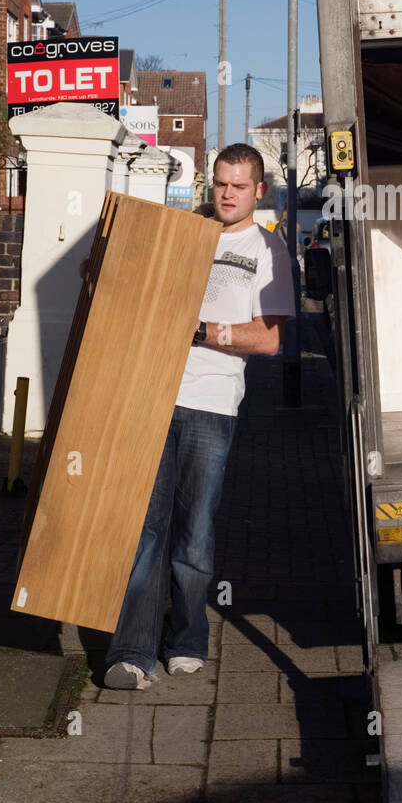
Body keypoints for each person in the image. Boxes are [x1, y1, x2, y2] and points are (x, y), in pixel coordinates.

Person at [94, 143, 296, 689]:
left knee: (195, 536)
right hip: (153, 394)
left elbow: (271, 339)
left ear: (259, 192)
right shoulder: (182, 232)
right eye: (221, 184)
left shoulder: (269, 250)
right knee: (144, 527)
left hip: (212, 404)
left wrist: (203, 331)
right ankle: (131, 652)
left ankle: (186, 639)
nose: (227, 194)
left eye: (239, 186)